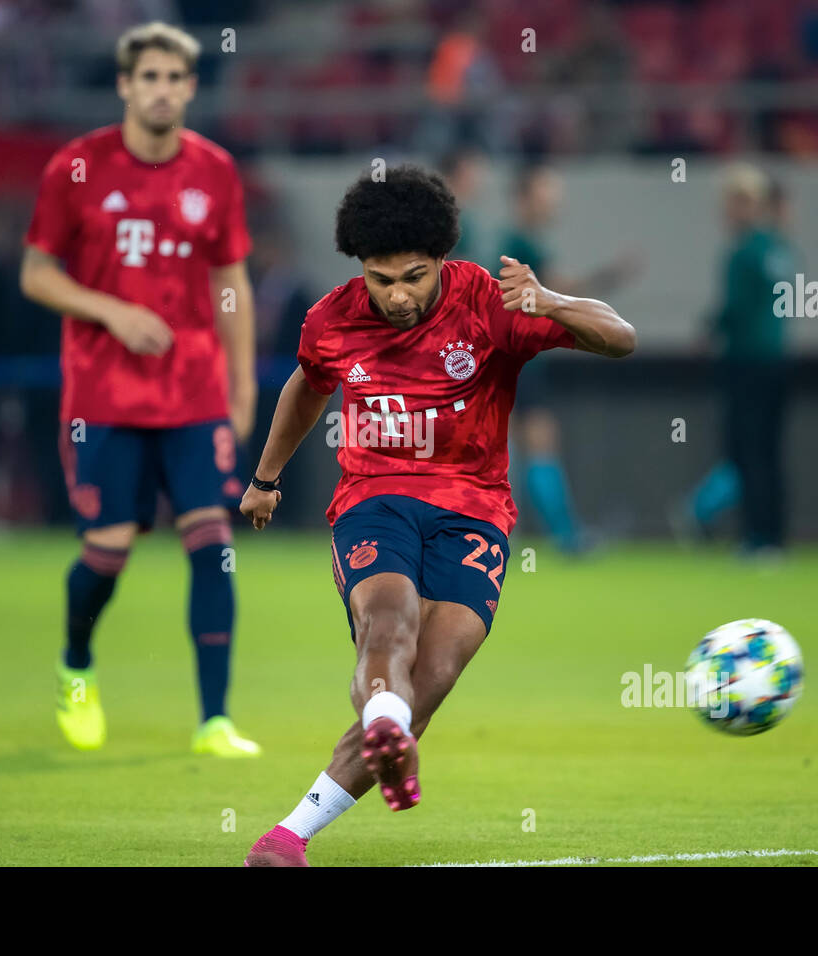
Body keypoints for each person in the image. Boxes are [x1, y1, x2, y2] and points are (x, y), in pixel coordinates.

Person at [238, 165, 635, 866]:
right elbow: (307, 386)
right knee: (387, 624)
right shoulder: (332, 317)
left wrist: (550, 300)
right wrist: (266, 477)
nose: (396, 295)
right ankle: (301, 825)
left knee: (436, 671)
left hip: (474, 512)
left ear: (443, 262)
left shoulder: (489, 303)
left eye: (414, 277)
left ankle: (327, 793)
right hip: (375, 499)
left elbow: (620, 337)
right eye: (380, 278)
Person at [19, 22, 261, 757]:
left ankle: (214, 718)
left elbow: (231, 283)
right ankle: (77, 665)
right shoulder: (77, 168)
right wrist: (112, 310)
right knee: (109, 551)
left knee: (213, 544)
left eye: (174, 78)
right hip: (104, 397)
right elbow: (35, 273)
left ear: (191, 88)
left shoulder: (215, 170)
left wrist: (242, 379)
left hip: (193, 391)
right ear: (125, 85)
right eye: (147, 77)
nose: (161, 90)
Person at [501, 161, 643, 553]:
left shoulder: (524, 241)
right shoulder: (520, 244)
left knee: (518, 447)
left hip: (519, 359)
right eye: (547, 192)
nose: (554, 201)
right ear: (524, 197)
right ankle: (566, 537)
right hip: (523, 359)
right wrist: (606, 278)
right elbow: (555, 292)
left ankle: (521, 533)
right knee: (538, 445)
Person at [705, 164, 796, 556]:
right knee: (770, 453)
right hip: (778, 361)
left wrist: (710, 328)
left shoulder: (742, 253)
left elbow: (734, 310)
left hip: (746, 363)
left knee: (746, 452)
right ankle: (772, 537)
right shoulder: (780, 250)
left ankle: (756, 538)